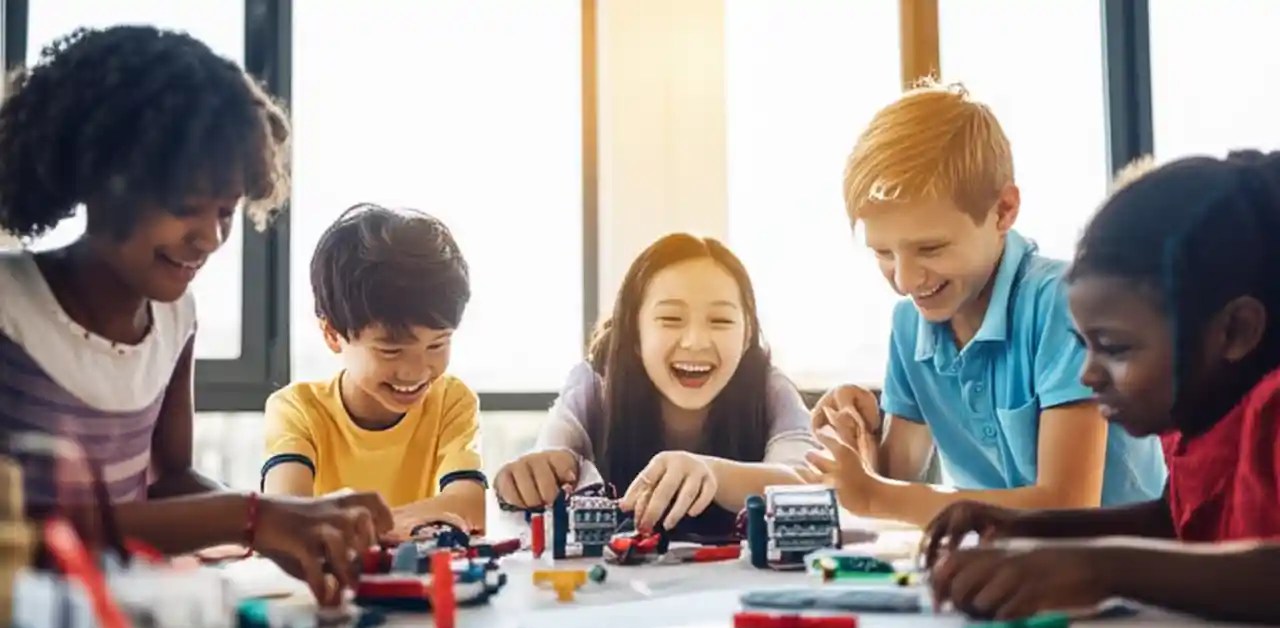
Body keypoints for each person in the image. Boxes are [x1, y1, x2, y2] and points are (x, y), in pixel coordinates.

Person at [0, 25, 388, 601]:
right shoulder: (10, 307)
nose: (209, 238)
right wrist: (255, 516)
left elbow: (167, 480)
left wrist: (287, 526)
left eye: (226, 212)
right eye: (185, 208)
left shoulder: (175, 316)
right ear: (101, 180)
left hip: (116, 625)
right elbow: (23, 531)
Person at [923, 150, 1280, 625]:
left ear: (1235, 331)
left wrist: (1100, 569)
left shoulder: (1272, 409)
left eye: (1115, 348)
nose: (1089, 374)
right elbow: (1177, 522)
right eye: (1084, 345)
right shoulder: (1195, 421)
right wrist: (1028, 527)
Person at [805, 81, 1166, 527]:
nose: (904, 279)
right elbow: (897, 477)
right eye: (883, 252)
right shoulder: (911, 323)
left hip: (1122, 556)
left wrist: (878, 496)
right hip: (1004, 557)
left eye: (931, 248)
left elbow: (1069, 505)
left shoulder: (1061, 304)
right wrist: (859, 435)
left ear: (1003, 211)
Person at [493, 233, 821, 537]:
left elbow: (807, 483)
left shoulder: (770, 390)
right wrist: (528, 478)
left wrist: (713, 473)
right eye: (670, 319)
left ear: (747, 335)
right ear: (634, 333)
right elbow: (550, 457)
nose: (695, 342)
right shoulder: (594, 387)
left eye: (721, 321)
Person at [262, 204, 484, 537]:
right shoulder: (297, 409)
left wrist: (367, 526)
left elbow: (471, 506)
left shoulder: (451, 401)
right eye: (390, 350)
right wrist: (401, 524)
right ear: (332, 334)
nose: (415, 371)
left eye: (437, 345)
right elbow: (287, 516)